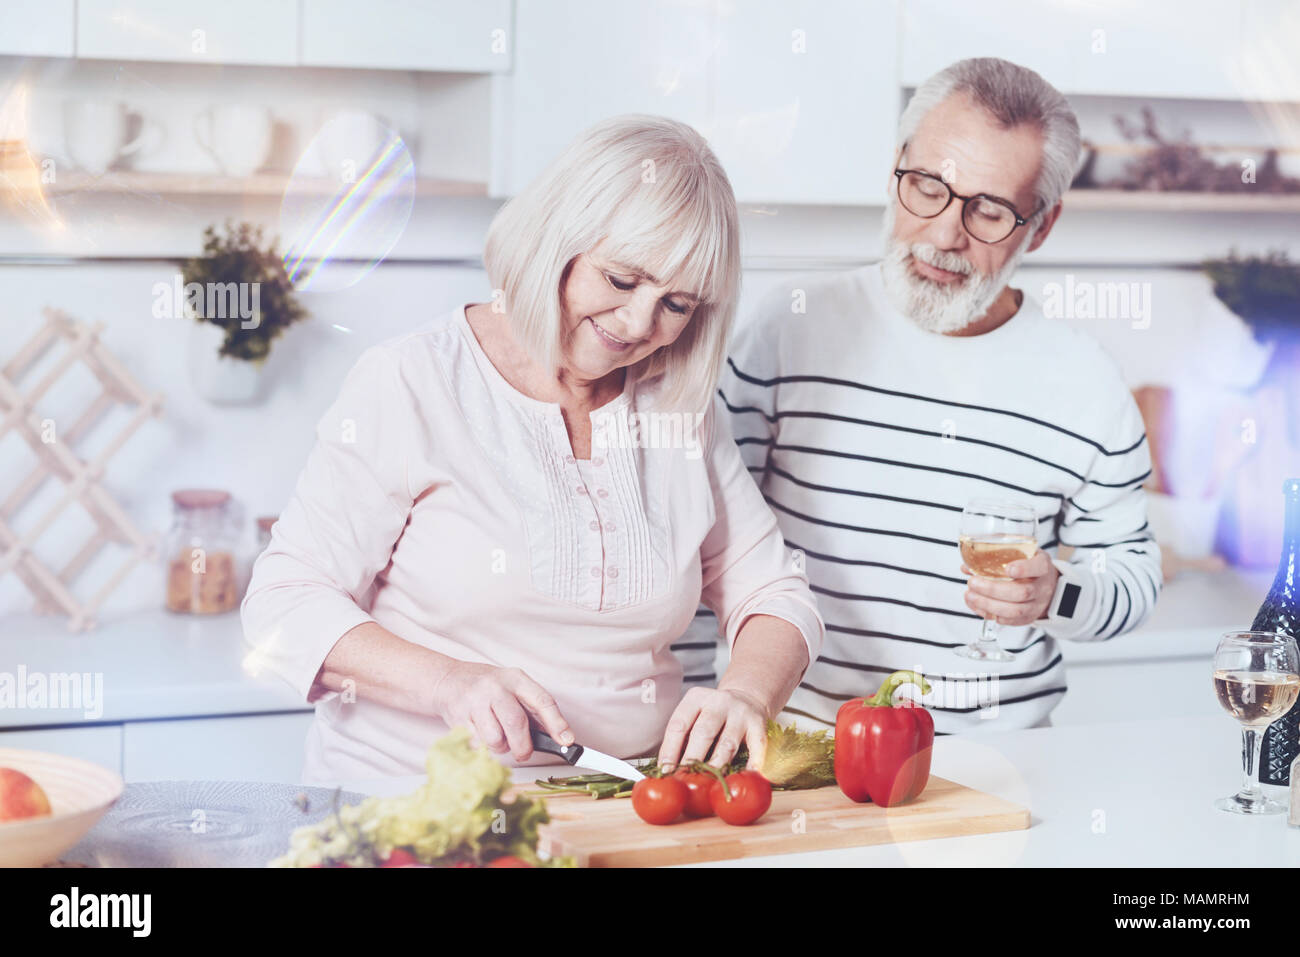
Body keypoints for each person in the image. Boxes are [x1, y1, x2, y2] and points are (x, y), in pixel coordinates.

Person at [241, 115, 823, 785]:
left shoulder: (679, 406)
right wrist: (448, 682)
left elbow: (776, 591)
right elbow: (282, 602)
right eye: (623, 280)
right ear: (558, 240)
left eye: (677, 304)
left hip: (621, 810)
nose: (640, 325)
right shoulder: (410, 382)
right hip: (409, 811)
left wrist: (746, 692)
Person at [679, 57, 1160, 732]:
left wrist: (1058, 593)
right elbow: (701, 539)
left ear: (1041, 226)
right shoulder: (787, 329)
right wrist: (691, 705)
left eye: (989, 210)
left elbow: (1133, 576)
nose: (944, 233)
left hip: (1000, 757)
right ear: (895, 168)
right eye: (928, 185)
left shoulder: (1085, 383)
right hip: (801, 742)